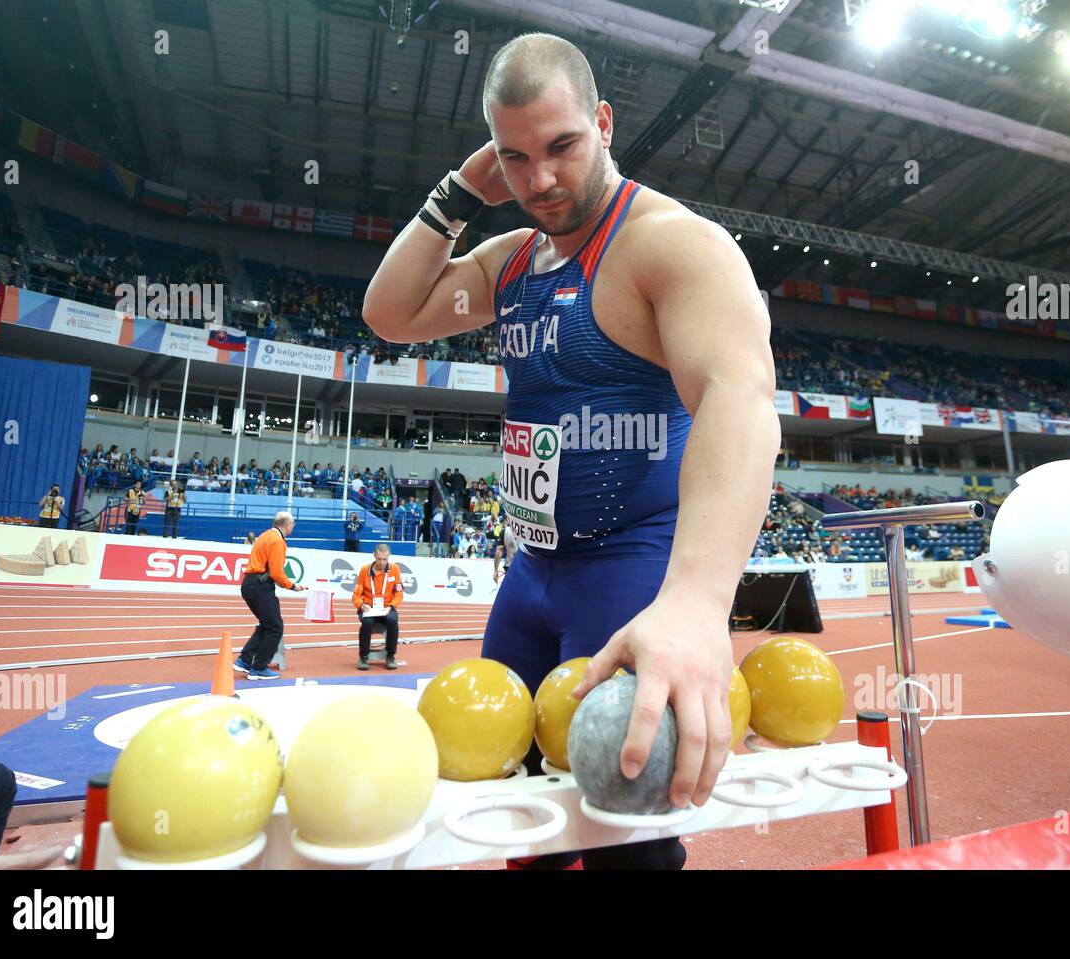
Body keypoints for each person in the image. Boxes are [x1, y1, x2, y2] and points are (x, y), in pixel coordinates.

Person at [363, 33, 778, 870]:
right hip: (532, 575)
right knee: (515, 811)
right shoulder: (510, 259)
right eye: (514, 159)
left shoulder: (672, 243)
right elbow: (391, 314)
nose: (541, 181)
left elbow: (742, 397)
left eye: (562, 146)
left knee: (626, 824)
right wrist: (456, 193)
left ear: (605, 121)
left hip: (632, 573)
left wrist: (698, 601)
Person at [235, 511, 307, 680]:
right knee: (275, 627)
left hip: (250, 584)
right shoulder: (277, 541)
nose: (293, 527)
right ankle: (259, 667)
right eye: (293, 524)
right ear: (287, 524)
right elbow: (276, 572)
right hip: (261, 585)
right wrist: (292, 586)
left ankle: (245, 660)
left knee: (267, 624)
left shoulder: (265, 535)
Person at [351, 543, 404, 671]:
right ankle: (363, 656)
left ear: (389, 557)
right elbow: (356, 595)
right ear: (374, 556)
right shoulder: (365, 570)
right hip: (368, 608)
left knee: (393, 621)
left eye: (385, 559)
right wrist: (361, 605)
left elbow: (399, 593)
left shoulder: (395, 569)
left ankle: (390, 656)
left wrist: (390, 606)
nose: (382, 562)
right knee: (367, 623)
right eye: (379, 559)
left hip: (387, 608)